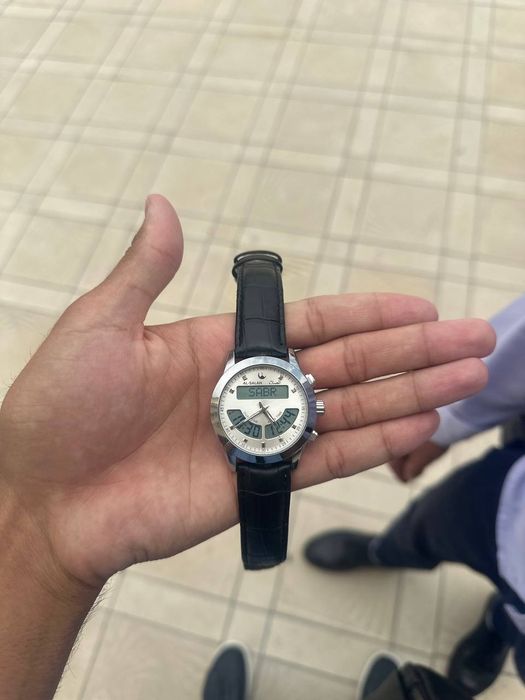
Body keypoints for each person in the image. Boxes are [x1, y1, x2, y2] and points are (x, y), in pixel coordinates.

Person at [0, 194, 495, 699]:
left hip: (265, 449)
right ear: (224, 402)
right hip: (259, 449)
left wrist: (42, 540)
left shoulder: (247, 395)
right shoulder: (253, 396)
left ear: (308, 402)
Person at [304, 294, 525, 696]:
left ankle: (500, 626)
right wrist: (449, 421)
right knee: (427, 524)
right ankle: (383, 551)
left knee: (514, 617)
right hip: (509, 498)